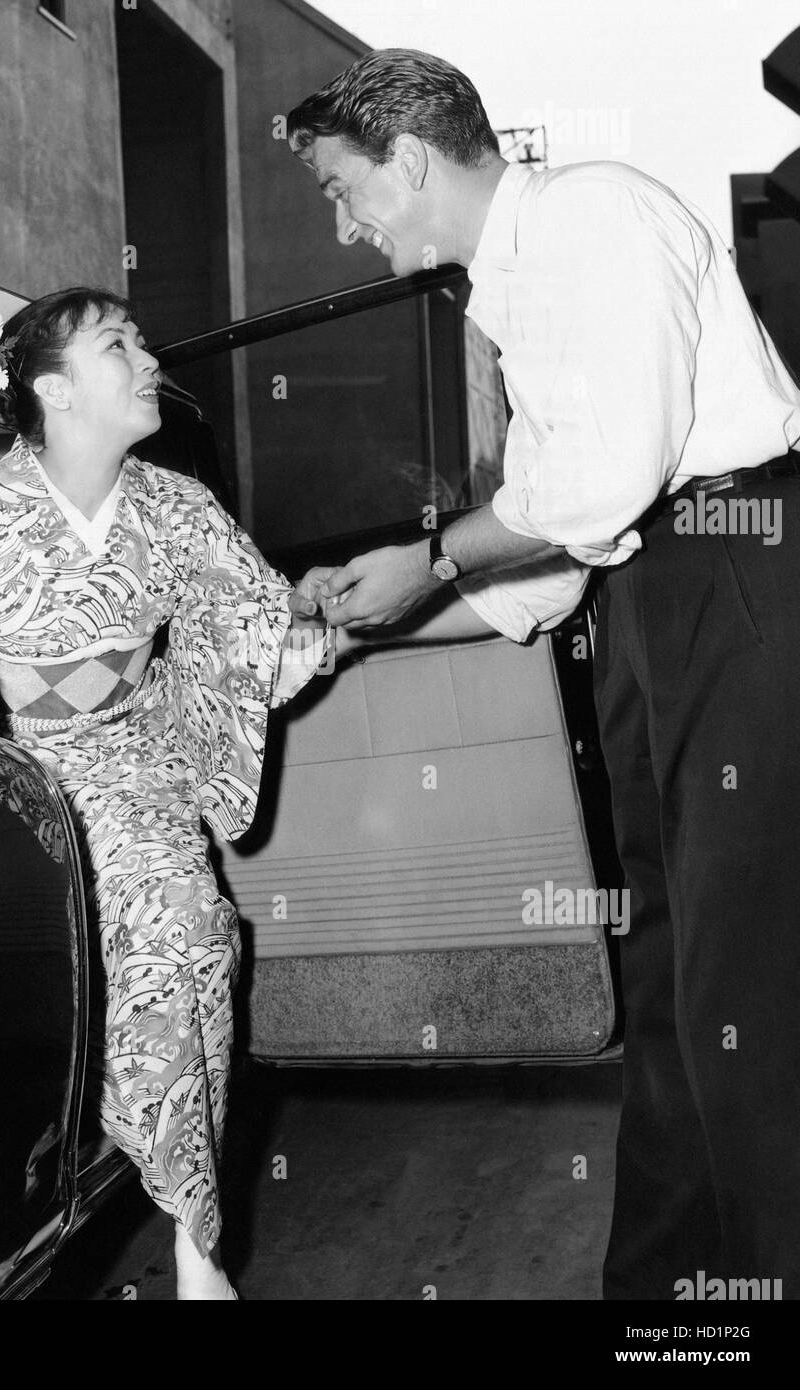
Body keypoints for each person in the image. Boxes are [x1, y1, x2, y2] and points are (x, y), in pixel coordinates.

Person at [287, 48, 800, 1300]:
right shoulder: (507, 288)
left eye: (346, 192)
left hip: (735, 568)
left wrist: (423, 557)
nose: (347, 227)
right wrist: (369, 621)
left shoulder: (591, 215)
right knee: (672, 983)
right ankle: (674, 1296)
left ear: (409, 160)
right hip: (656, 595)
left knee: (746, 988)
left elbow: (598, 485)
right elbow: (555, 559)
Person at [0, 287, 490, 1299]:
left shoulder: (177, 511)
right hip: (7, 797)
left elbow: (257, 626)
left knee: (190, 933)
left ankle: (195, 1232)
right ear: (56, 389)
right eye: (119, 345)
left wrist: (336, 608)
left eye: (142, 336)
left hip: (136, 782)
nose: (149, 357)